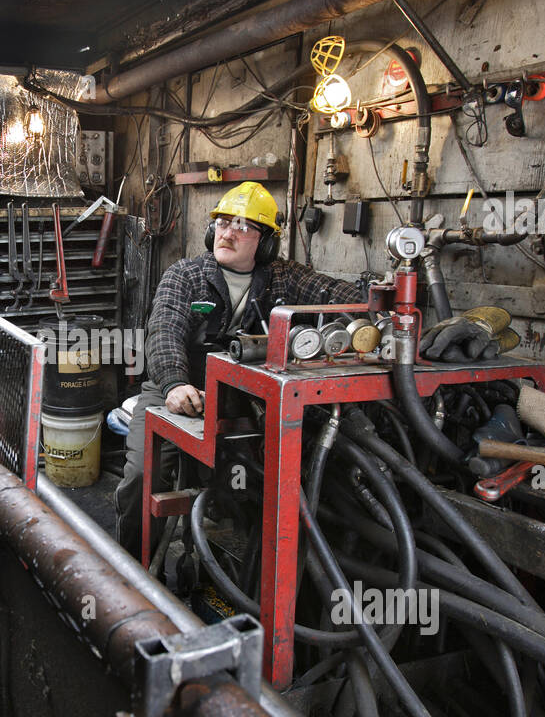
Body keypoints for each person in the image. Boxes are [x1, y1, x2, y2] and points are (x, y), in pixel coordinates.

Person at [114, 181, 363, 554]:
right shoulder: (186, 275)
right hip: (178, 390)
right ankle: (131, 569)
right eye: (224, 222)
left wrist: (385, 298)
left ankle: (249, 566)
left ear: (265, 242)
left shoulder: (284, 276)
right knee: (140, 478)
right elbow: (164, 331)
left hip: (244, 398)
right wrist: (174, 384)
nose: (228, 232)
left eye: (243, 226)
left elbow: (343, 297)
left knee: (273, 479)